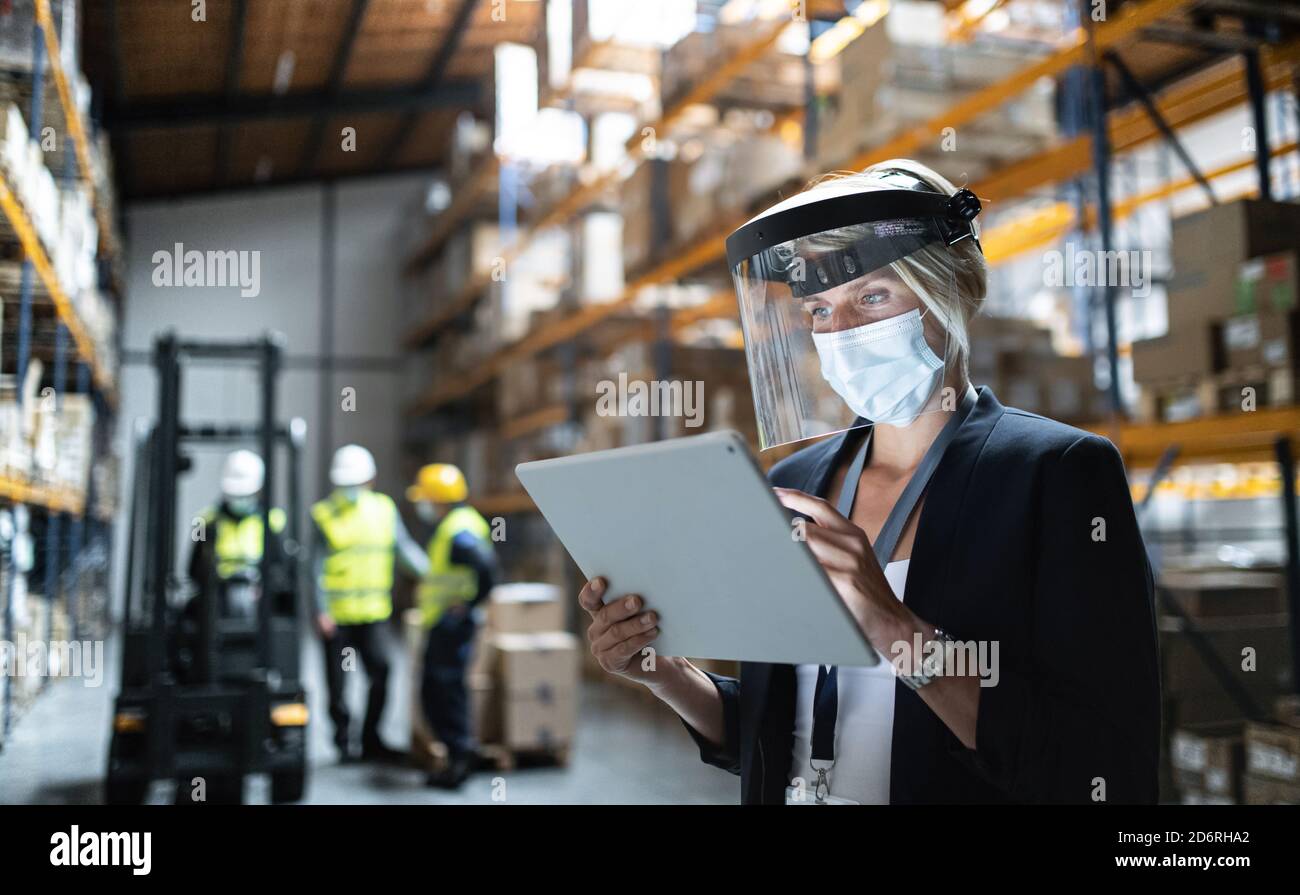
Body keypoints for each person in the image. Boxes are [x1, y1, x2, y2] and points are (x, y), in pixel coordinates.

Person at [577, 159, 1161, 804]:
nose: (844, 333)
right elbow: (777, 728)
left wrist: (894, 628)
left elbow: (1098, 762)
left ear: (952, 289)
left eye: (873, 296)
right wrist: (663, 672)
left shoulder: (1056, 474)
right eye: (819, 310)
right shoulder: (796, 481)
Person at [311, 444, 428, 763]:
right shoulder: (324, 514)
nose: (350, 489)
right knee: (337, 685)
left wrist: (434, 574)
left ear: (371, 480)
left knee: (382, 672)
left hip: (373, 614)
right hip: (336, 617)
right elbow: (315, 566)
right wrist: (319, 609)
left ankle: (370, 739)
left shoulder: (384, 510)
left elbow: (404, 549)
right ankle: (343, 741)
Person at [407, 463, 500, 789]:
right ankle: (457, 754)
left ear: (438, 499)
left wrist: (469, 606)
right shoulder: (456, 525)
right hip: (444, 623)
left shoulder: (459, 532)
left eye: (426, 498)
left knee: (445, 691)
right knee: (436, 690)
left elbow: (487, 570)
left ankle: (460, 759)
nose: (422, 505)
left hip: (451, 626)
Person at [187, 449, 293, 621]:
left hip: (259, 605)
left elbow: (281, 568)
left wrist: (264, 586)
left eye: (245, 494)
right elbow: (193, 569)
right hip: (217, 605)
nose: (240, 500)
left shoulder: (274, 520)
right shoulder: (202, 521)